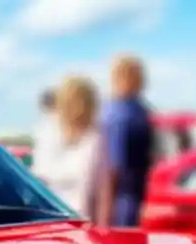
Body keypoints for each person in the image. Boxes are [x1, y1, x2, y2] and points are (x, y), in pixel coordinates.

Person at [32, 76, 104, 218]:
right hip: (52, 220)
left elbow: (101, 190)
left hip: (80, 221)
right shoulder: (49, 131)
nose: (78, 108)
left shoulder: (96, 137)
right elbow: (40, 177)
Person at [98, 54, 154, 227]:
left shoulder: (116, 113)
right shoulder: (142, 111)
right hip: (135, 198)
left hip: (117, 201)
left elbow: (114, 166)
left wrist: (104, 212)